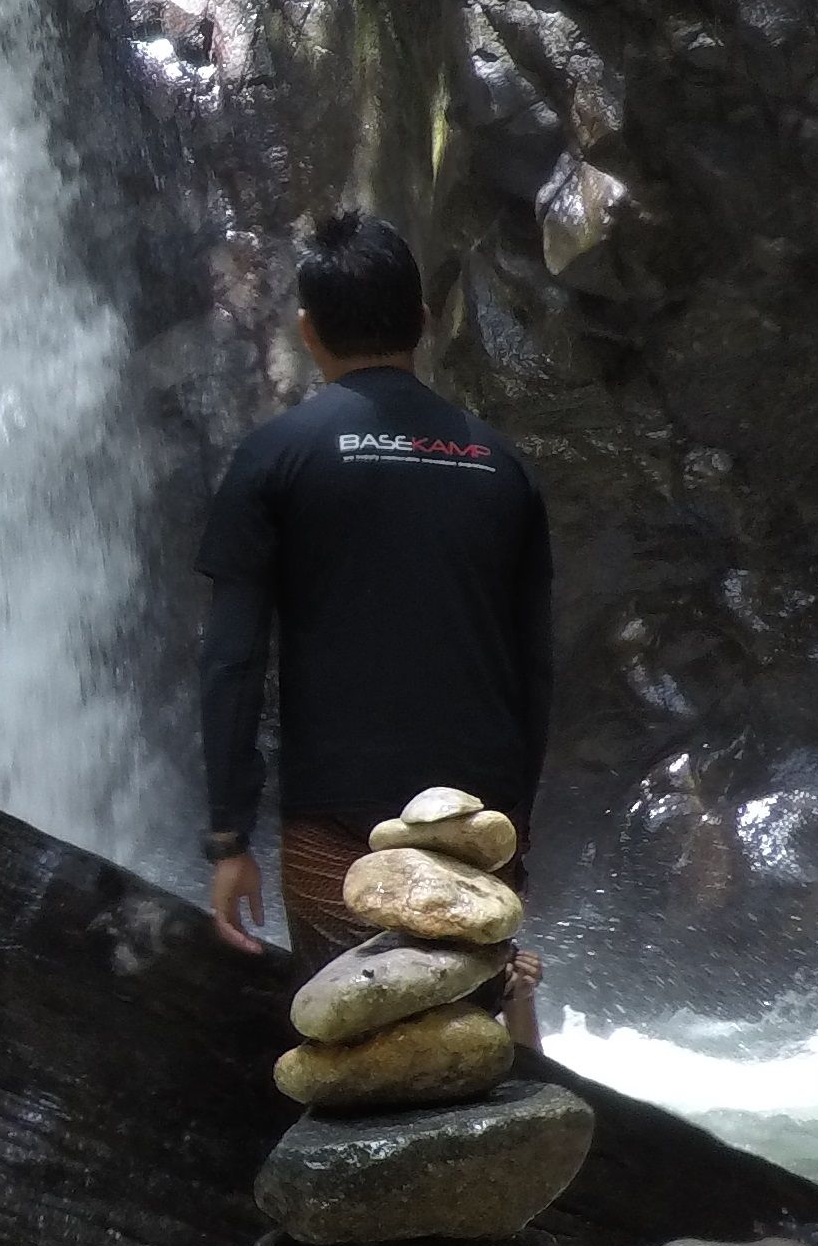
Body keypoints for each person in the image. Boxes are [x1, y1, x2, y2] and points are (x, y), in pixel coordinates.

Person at [198, 211, 552, 1041]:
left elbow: (229, 660)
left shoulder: (273, 457)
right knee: (468, 1044)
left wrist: (226, 834)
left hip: (334, 819)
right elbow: (533, 667)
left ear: (307, 331)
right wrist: (515, 827)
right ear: (423, 323)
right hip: (474, 816)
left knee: (351, 1047)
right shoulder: (501, 468)